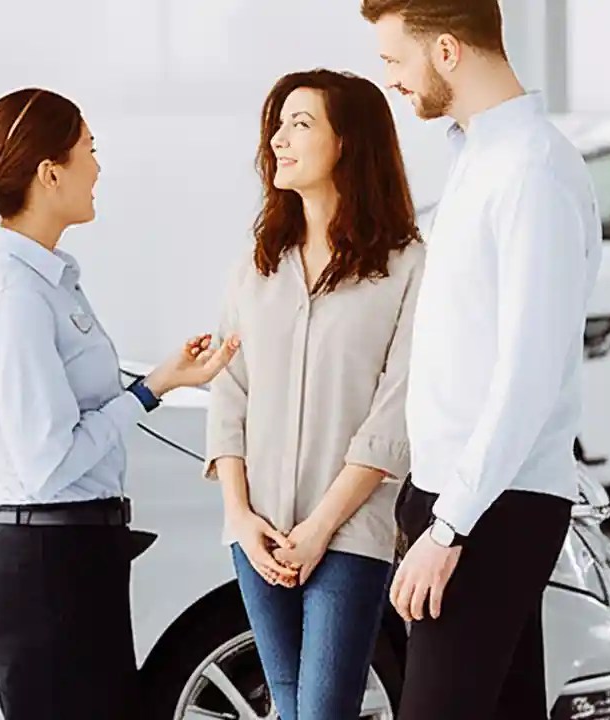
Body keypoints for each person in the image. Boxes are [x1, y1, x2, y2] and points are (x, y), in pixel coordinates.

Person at [0, 87, 239, 720]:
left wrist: (165, 377)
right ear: (51, 173)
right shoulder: (15, 296)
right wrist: (149, 392)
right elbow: (51, 460)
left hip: (75, 562)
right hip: (49, 570)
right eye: (89, 150)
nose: (99, 167)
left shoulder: (47, 282)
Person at [361, 2, 604, 718]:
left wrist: (450, 528)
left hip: (491, 508)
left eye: (394, 62)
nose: (392, 82)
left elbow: (527, 374)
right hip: (456, 494)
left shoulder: (534, 173)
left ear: (445, 51)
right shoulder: (477, 157)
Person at [203, 69, 424, 720]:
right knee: (292, 704)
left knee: (326, 709)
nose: (280, 140)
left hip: (350, 527)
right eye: (277, 124)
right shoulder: (258, 262)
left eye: (301, 124)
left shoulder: (407, 264)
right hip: (259, 531)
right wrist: (241, 518)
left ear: (349, 144)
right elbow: (228, 388)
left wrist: (321, 527)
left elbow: (397, 407)